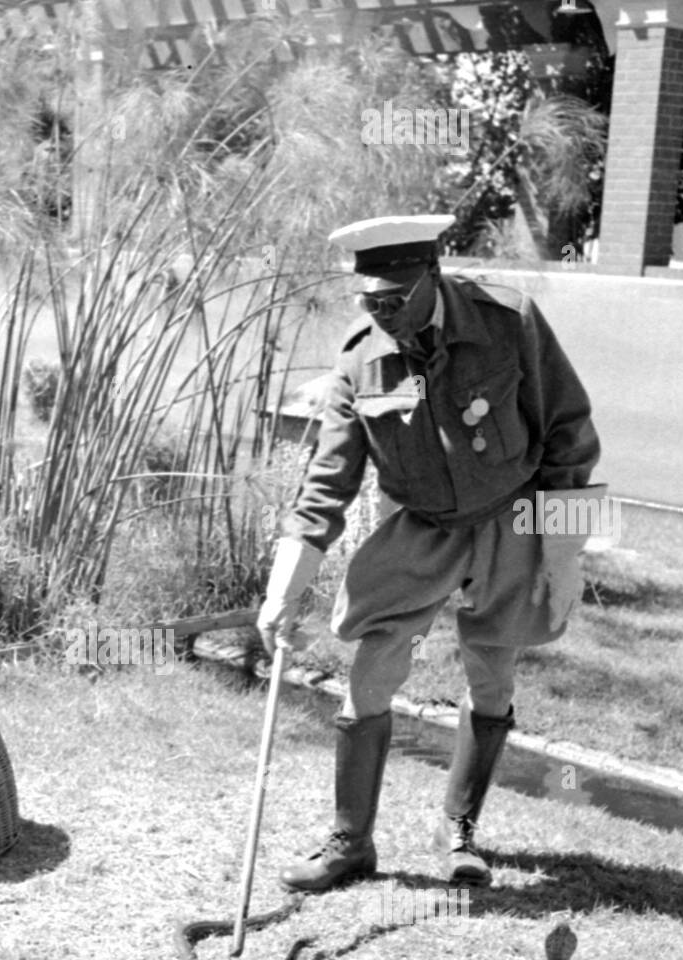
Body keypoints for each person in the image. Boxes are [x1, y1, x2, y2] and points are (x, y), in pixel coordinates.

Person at [257, 213, 605, 892]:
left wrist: (563, 554)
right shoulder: (360, 359)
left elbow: (569, 433)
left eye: (394, 299)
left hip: (510, 516)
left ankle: (459, 832)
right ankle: (350, 843)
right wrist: (284, 589)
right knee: (371, 670)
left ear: (431, 277)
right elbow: (327, 483)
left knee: (492, 670)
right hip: (421, 526)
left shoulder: (507, 320)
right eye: (369, 301)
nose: (381, 314)